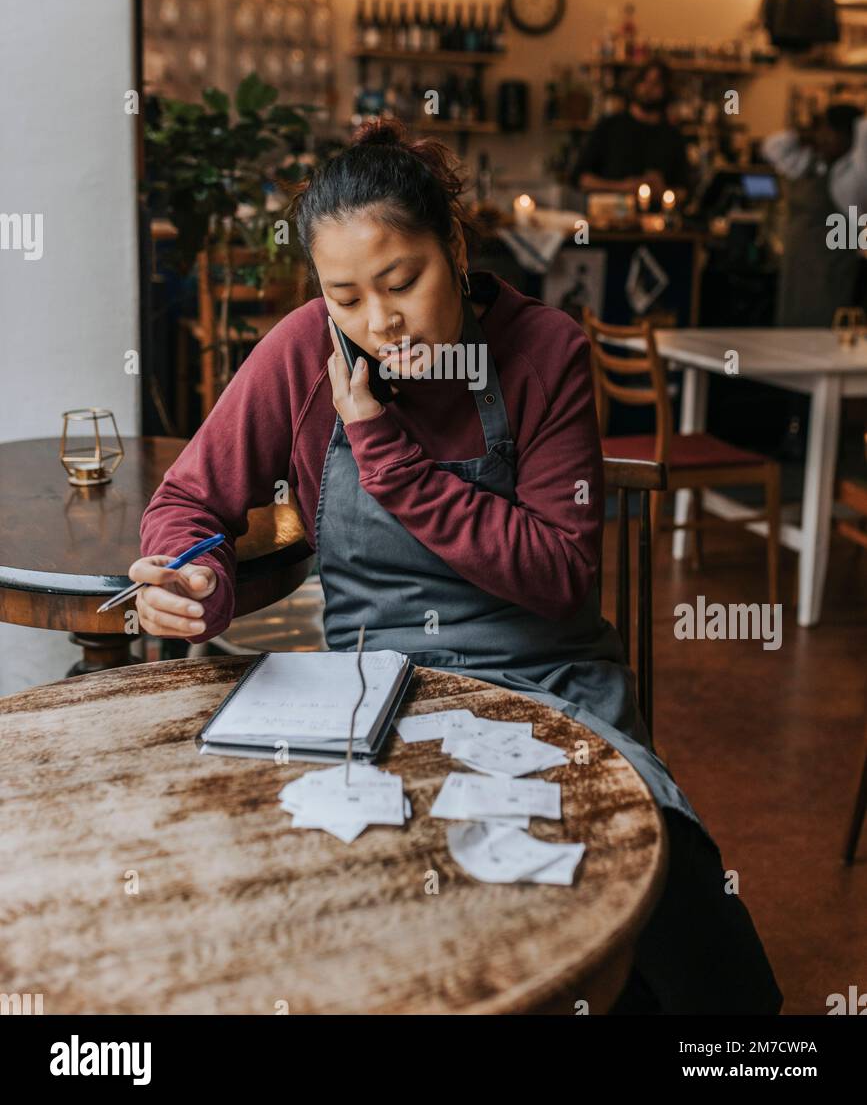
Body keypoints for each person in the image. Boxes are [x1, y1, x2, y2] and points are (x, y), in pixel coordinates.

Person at [130, 118, 782, 1016]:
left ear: (456, 247)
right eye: (345, 297)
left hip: (549, 685)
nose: (377, 322)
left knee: (698, 955)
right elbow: (186, 504)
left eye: (402, 282)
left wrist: (389, 461)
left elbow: (560, 572)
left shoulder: (543, 349)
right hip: (376, 696)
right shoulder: (301, 353)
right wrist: (189, 583)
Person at [763, 103, 867, 327]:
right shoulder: (807, 162)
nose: (824, 138)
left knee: (819, 334)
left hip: (829, 270)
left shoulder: (849, 176)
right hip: (796, 264)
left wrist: (860, 131)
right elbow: (771, 147)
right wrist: (805, 135)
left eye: (830, 133)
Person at [571, 58, 690, 204]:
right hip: (609, 217)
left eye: (656, 84)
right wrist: (624, 187)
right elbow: (580, 179)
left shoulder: (673, 136)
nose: (648, 88)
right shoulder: (609, 126)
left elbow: (684, 192)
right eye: (644, 81)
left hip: (655, 221)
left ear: (666, 90)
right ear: (635, 84)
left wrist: (663, 191)